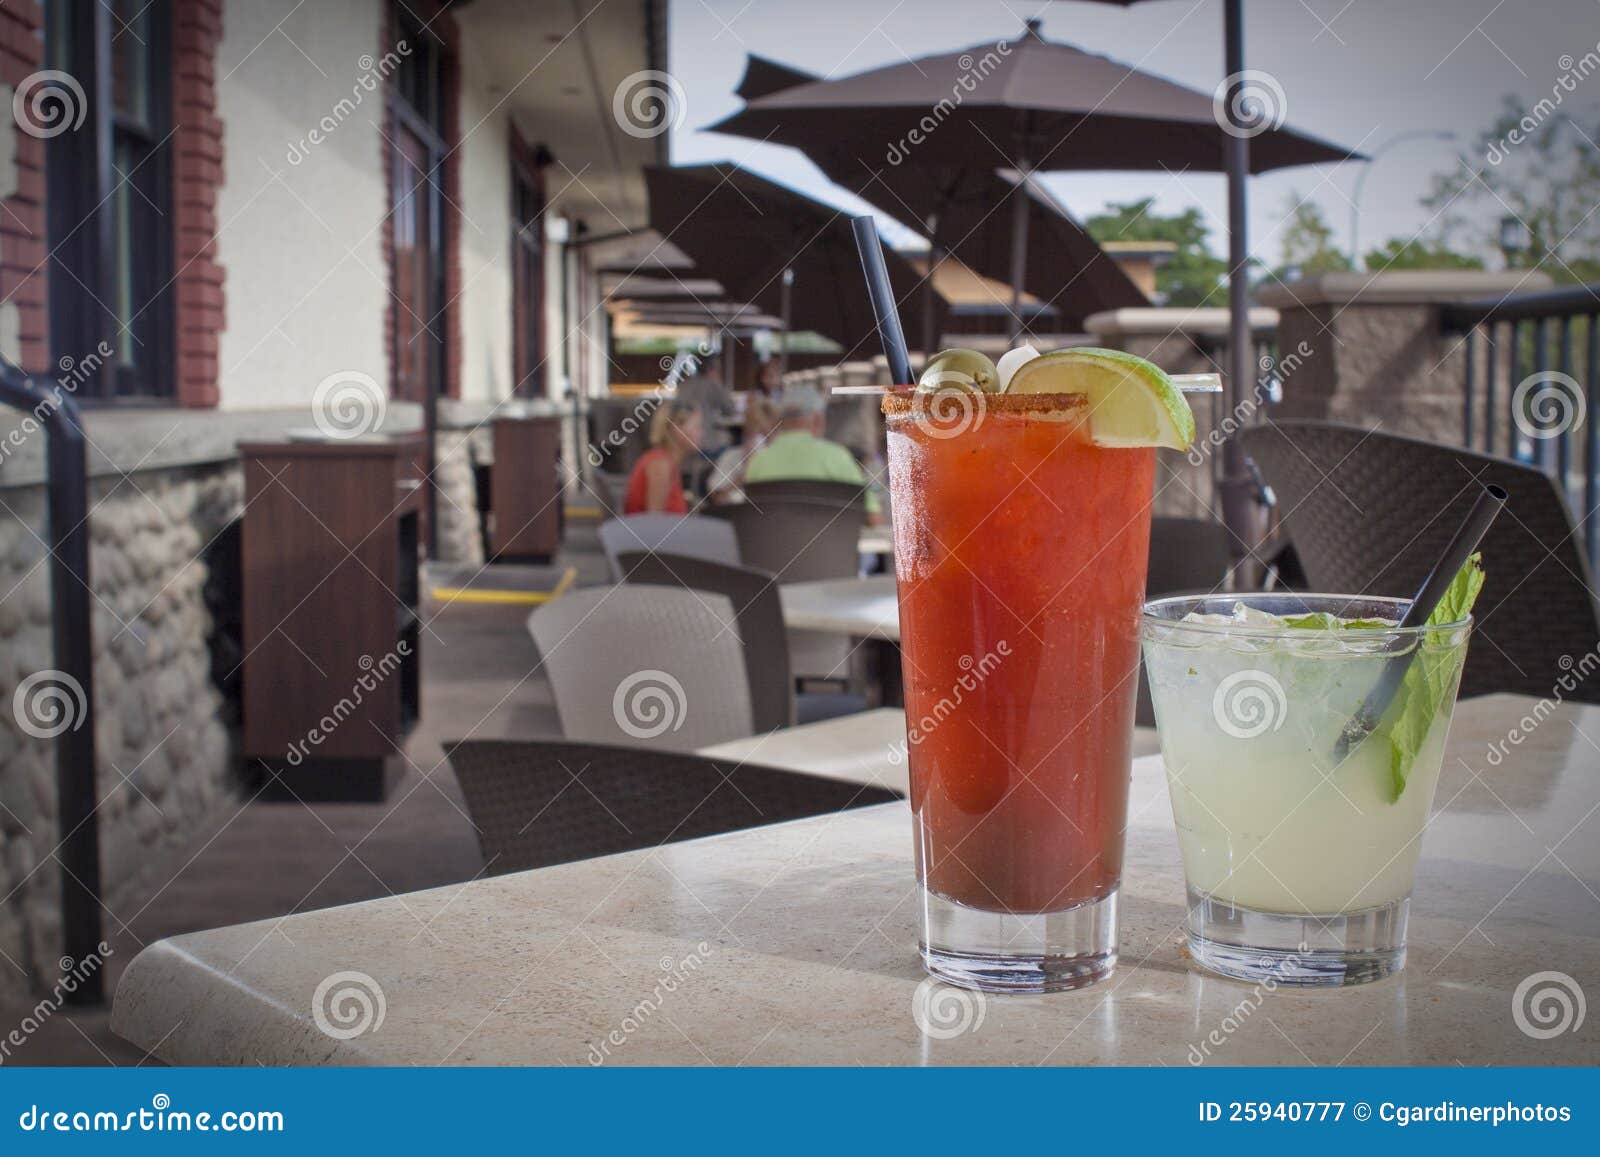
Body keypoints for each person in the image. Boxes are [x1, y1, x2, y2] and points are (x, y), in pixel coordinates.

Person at [743, 386, 885, 525]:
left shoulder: (758, 462)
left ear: (781, 422)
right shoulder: (838, 457)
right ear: (818, 418)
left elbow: (753, 520)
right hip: (833, 547)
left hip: (773, 548)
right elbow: (873, 518)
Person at [623, 400, 702, 515]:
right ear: (677, 429)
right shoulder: (660, 464)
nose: (701, 433)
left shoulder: (667, 461)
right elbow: (655, 524)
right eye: (697, 427)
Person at [707, 396, 780, 505]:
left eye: (766, 434)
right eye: (754, 433)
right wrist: (742, 478)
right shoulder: (730, 457)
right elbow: (717, 500)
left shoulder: (782, 460)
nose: (759, 441)